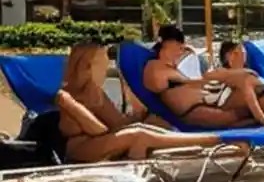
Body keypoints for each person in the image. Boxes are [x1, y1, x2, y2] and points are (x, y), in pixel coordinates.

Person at [57, 44, 229, 163]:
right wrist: (73, 106)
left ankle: (216, 143)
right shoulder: (67, 96)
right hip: (81, 150)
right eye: (102, 63)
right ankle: (214, 140)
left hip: (100, 142)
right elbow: (100, 129)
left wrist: (143, 118)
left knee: (145, 128)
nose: (106, 68)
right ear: (87, 66)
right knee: (138, 135)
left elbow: (117, 124)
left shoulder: (95, 93)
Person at [143, 25, 264, 128]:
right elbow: (156, 85)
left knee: (249, 84)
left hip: (207, 103)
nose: (181, 52)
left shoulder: (168, 68)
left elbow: (191, 82)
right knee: (248, 91)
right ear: (167, 44)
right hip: (194, 111)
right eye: (179, 48)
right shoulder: (156, 67)